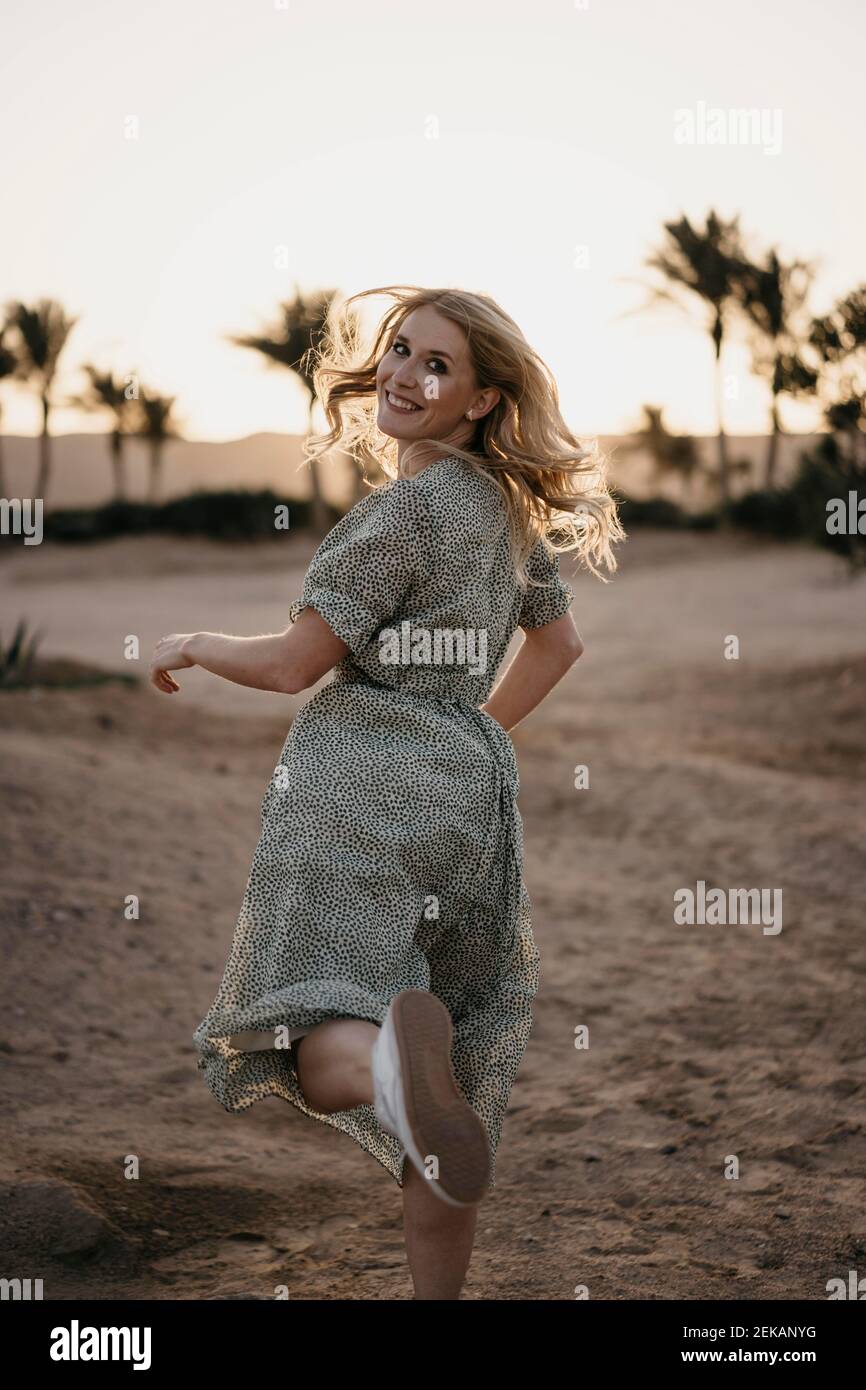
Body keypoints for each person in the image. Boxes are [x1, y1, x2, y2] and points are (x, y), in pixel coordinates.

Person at [150, 285, 623, 1300]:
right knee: (449, 1078)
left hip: (350, 790)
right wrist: (467, 734)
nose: (405, 375)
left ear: (482, 399)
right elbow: (559, 643)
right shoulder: (502, 514)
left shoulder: (399, 515)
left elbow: (291, 664)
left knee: (311, 1021)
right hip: (465, 802)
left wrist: (195, 642)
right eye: (400, 350)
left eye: (436, 365)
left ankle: (391, 1078)